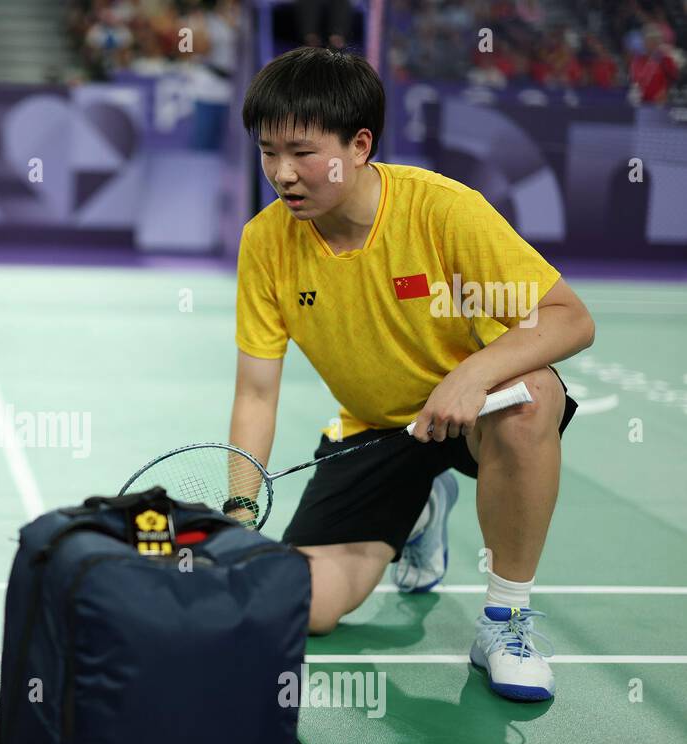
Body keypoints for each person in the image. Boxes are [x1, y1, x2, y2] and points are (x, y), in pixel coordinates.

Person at [230, 47, 595, 702]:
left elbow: (568, 319)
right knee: (306, 609)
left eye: (302, 152)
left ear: (360, 144)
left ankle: (505, 621)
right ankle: (421, 508)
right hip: (373, 429)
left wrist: (474, 372)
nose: (282, 174)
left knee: (532, 395)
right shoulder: (266, 242)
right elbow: (256, 392)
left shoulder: (442, 211)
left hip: (470, 413)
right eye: (267, 152)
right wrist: (238, 507)